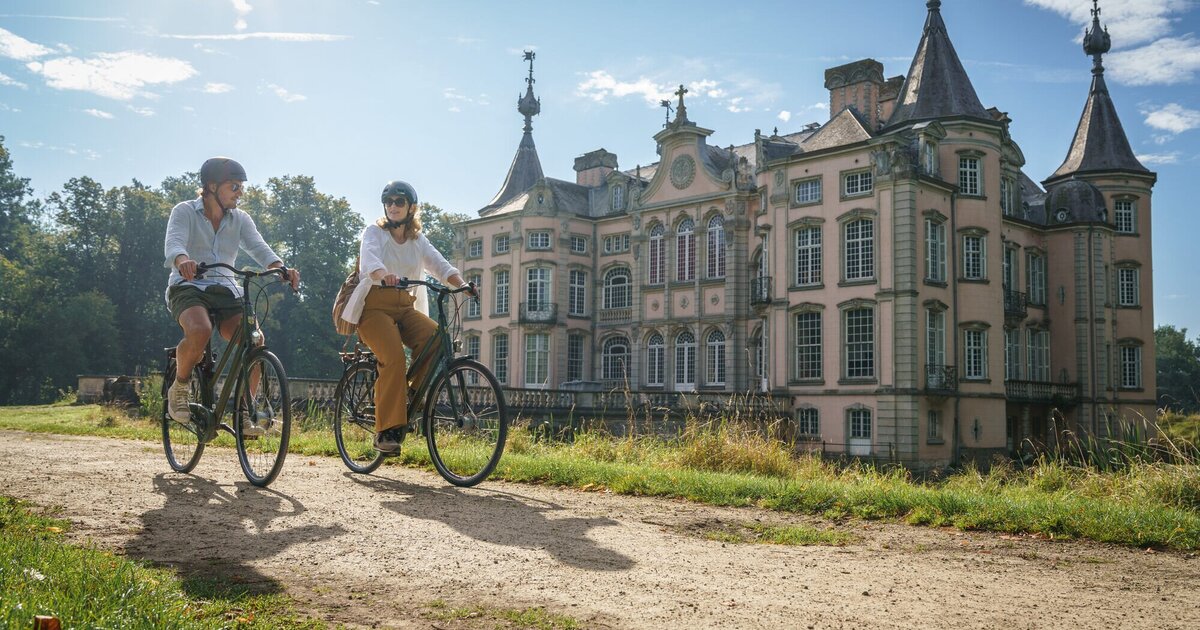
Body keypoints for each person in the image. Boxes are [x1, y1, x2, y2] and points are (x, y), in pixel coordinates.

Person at [163, 157, 300, 432]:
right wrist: (182, 260)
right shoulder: (185, 211)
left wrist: (280, 268)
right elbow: (174, 242)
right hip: (188, 286)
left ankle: (245, 412)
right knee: (200, 330)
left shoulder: (240, 219)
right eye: (235, 186)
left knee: (255, 340)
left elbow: (258, 247)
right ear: (212, 186)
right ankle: (179, 388)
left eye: (242, 188)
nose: (240, 193)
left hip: (226, 290)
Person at [339, 180, 475, 453]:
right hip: (373, 307)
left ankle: (411, 393)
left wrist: (462, 284)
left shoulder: (417, 240)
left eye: (398, 201)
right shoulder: (374, 232)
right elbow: (369, 261)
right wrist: (382, 275)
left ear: (411, 207)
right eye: (388, 201)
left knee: (436, 338)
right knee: (394, 357)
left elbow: (440, 265)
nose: (392, 206)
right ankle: (386, 432)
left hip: (404, 306)